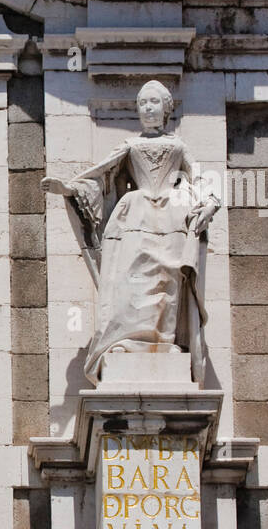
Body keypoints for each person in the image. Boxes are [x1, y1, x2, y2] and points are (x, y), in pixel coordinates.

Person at [41, 80, 220, 385]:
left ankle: (165, 342)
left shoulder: (179, 145)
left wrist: (210, 204)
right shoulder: (129, 146)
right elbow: (100, 176)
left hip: (173, 216)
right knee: (129, 280)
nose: (148, 108)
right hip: (134, 214)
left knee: (168, 281)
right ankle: (126, 340)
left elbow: (202, 178)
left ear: (166, 108)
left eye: (154, 102)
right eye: (142, 103)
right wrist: (70, 189)